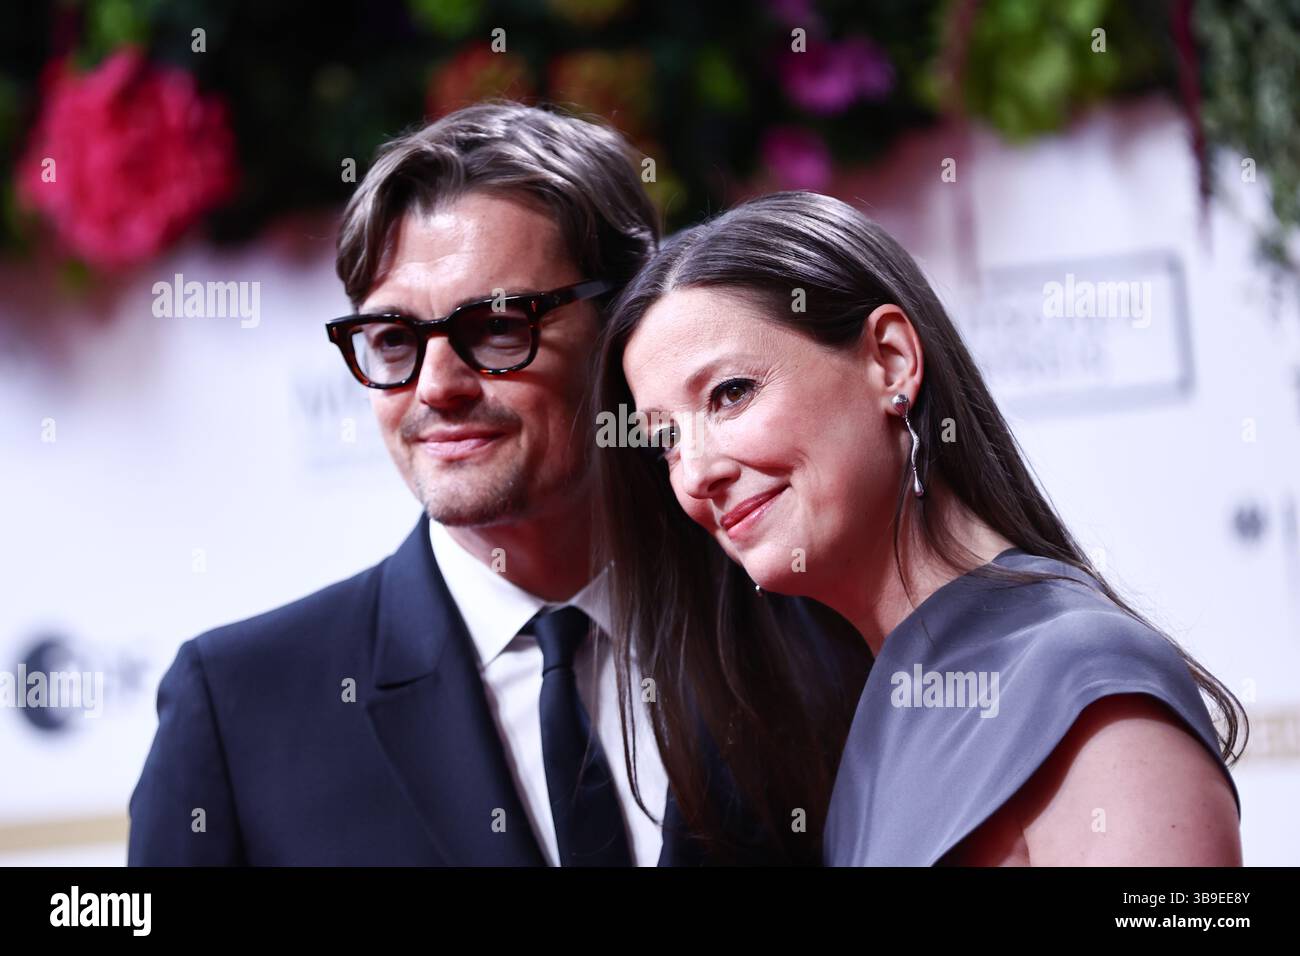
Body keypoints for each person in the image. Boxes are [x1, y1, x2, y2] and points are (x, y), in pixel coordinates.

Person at [127, 104, 868, 866]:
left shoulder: (819, 627)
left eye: (499, 327)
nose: (436, 386)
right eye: (392, 340)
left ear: (624, 329)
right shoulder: (242, 708)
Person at [591, 189, 1247, 866]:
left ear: (892, 361)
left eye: (730, 393)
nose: (695, 473)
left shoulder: (1082, 675)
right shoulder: (877, 711)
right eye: (665, 439)